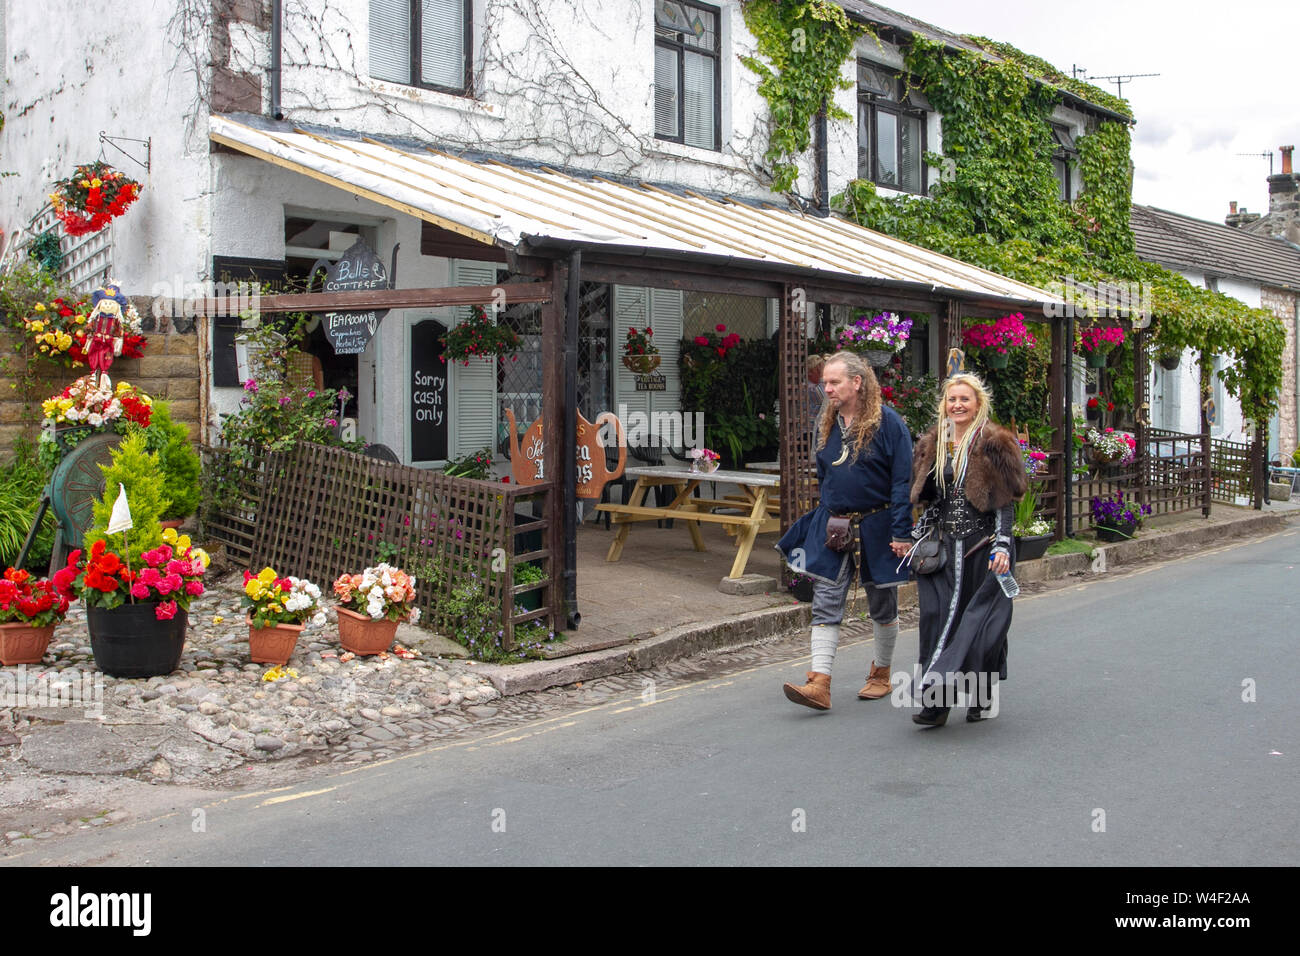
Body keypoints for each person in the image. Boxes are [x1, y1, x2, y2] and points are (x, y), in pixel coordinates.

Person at [778, 350, 914, 710]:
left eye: (834, 382)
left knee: (882, 603)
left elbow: (903, 483)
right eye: (824, 382)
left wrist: (901, 533)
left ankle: (881, 674)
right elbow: (824, 476)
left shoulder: (890, 424)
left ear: (857, 382)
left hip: (879, 525)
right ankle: (819, 683)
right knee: (825, 600)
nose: (827, 389)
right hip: (835, 525)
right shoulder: (826, 423)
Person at [906, 373, 1027, 727]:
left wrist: (1003, 544)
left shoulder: (995, 443)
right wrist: (916, 535)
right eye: (951, 399)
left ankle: (981, 694)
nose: (957, 405)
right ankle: (936, 702)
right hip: (944, 550)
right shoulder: (933, 443)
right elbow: (931, 501)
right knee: (936, 621)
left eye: (964, 399)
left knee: (982, 627)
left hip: (982, 547)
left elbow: (1005, 503)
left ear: (978, 404)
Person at [85, 283, 128, 388]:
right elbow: (90, 327)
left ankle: (103, 379)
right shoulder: (97, 318)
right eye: (106, 303)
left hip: (108, 342)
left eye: (111, 304)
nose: (108, 306)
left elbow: (119, 331)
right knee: (94, 356)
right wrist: (89, 334)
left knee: (106, 358)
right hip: (96, 340)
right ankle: (93, 378)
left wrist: (118, 341)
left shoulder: (115, 320)